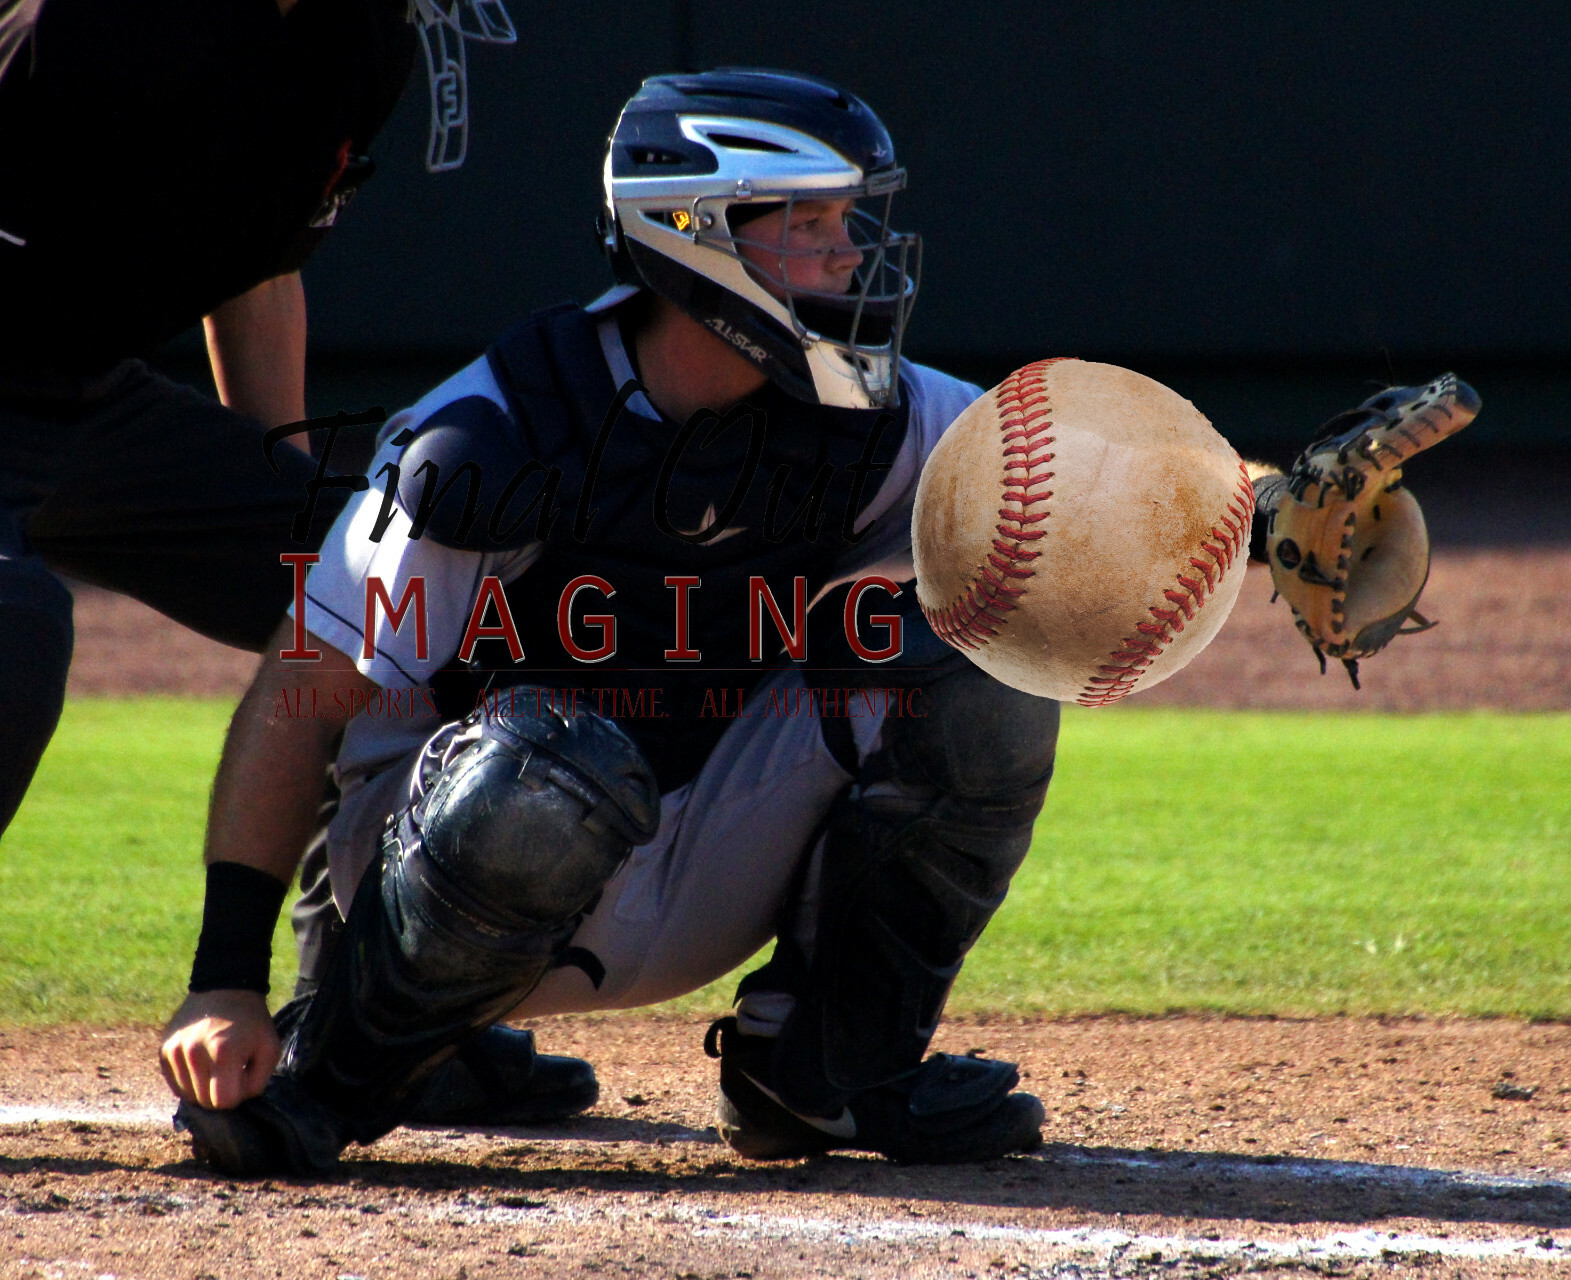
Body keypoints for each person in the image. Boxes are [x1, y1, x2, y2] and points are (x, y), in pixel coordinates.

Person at [158, 68, 1064, 1176]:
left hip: (701, 834)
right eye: (813, 223)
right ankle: (334, 1070)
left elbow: (1077, 502)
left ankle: (821, 1072)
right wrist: (222, 979)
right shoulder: (496, 430)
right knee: (554, 757)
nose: (849, 254)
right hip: (452, 858)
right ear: (696, 236)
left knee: (990, 678)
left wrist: (1254, 513)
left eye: (849, 221)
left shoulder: (878, 415)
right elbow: (298, 695)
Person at [0, 0, 416, 834]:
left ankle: (370, 950)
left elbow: (260, 278)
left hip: (86, 406)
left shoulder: (362, 38)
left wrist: (292, 529)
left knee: (403, 597)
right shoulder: (86, 29)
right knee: (17, 630)